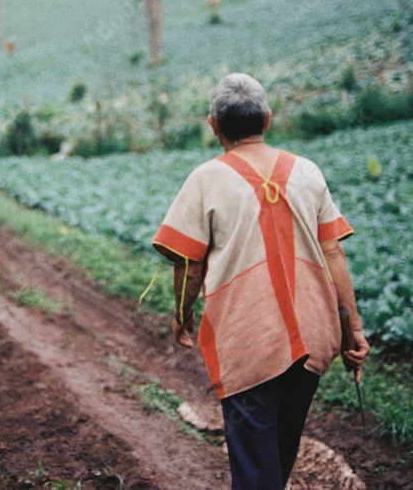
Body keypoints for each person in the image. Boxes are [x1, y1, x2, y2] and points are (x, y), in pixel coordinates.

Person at [152, 73, 369, 489]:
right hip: (313, 336)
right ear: (267, 119)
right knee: (281, 448)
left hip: (248, 340)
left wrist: (181, 314)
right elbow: (333, 253)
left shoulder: (206, 179)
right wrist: (351, 330)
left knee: (254, 465)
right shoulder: (307, 171)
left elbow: (189, 265)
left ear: (213, 126)